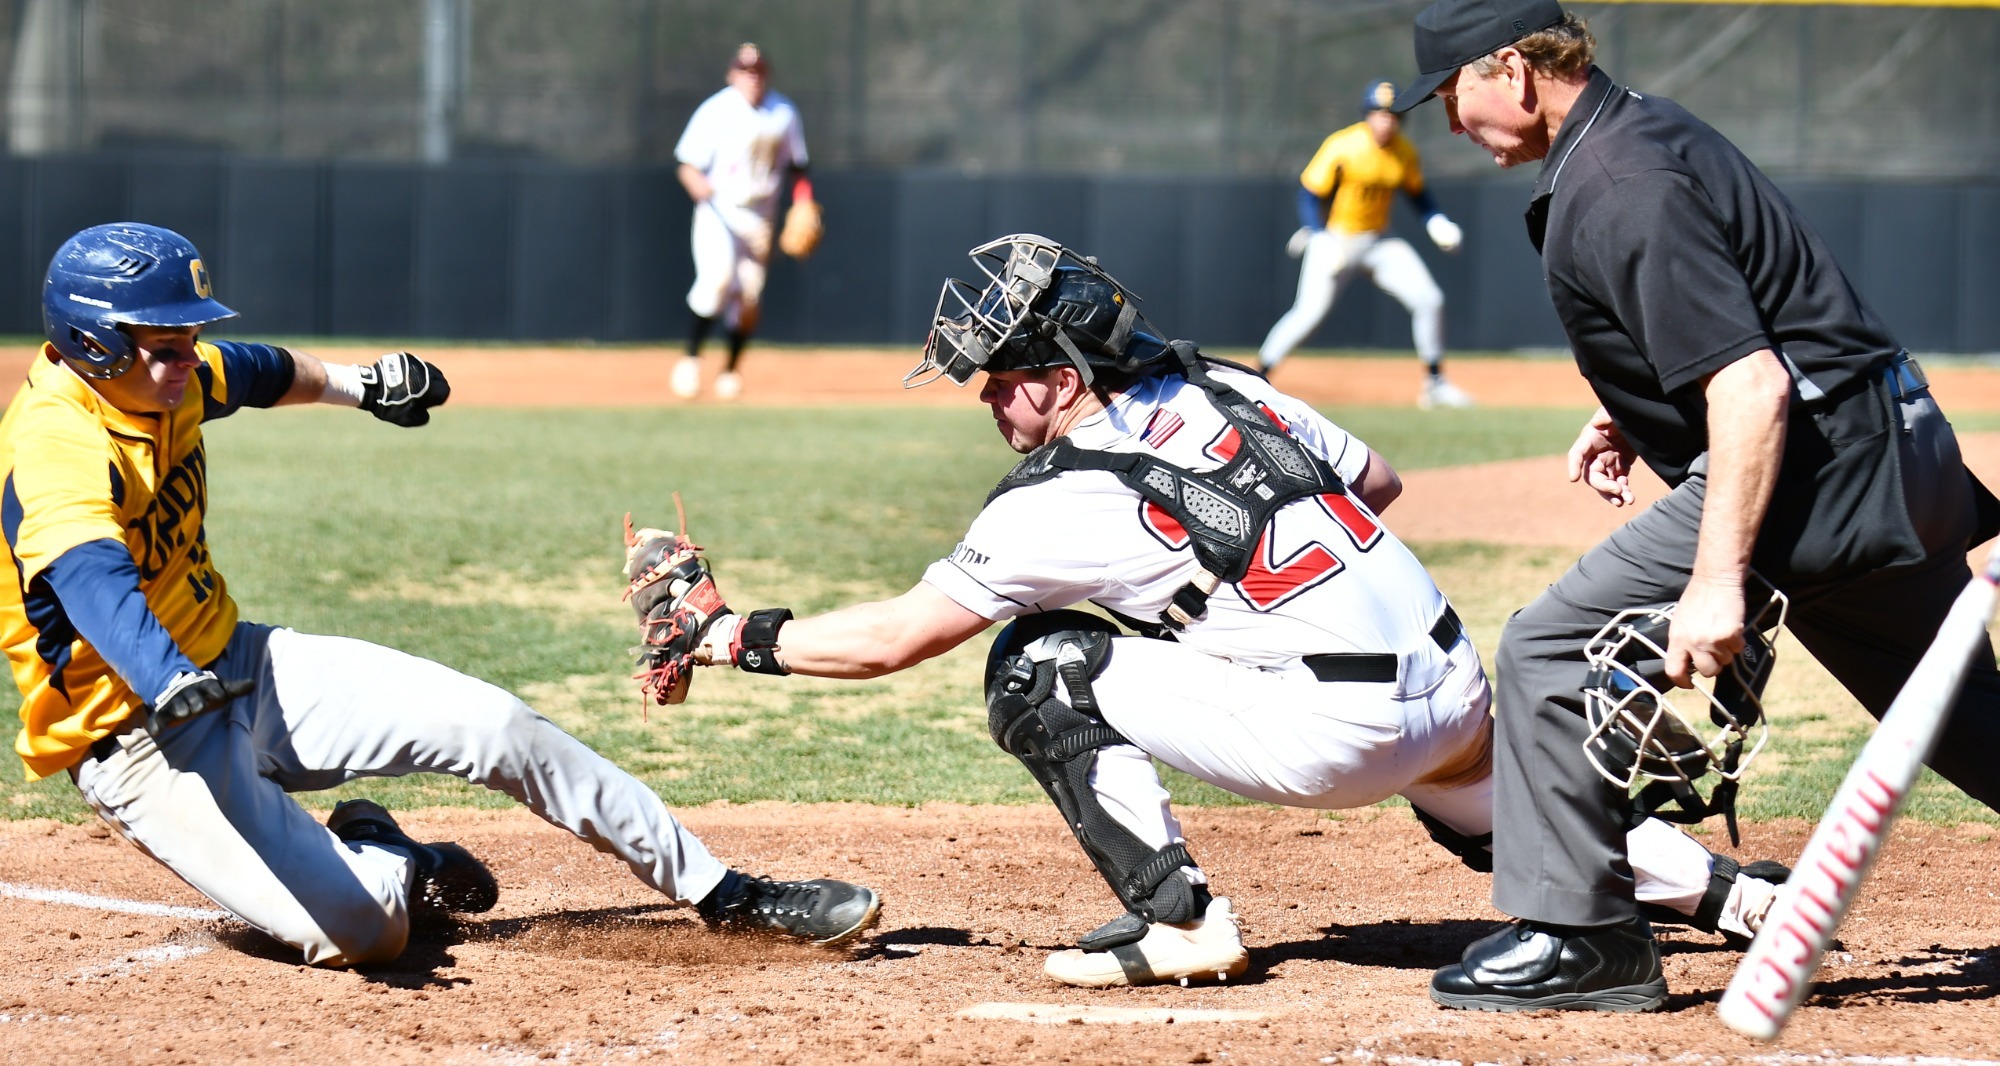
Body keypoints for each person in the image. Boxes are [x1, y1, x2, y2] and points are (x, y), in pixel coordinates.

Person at [623, 232, 1786, 989]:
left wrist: (726, 634)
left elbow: (891, 642)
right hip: (1454, 684)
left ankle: (1177, 920)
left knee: (1039, 665)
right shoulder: (1220, 380)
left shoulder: (1058, 492)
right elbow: (1371, 486)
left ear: (1064, 376)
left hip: (1335, 735)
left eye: (1002, 372)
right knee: (1474, 802)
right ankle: (1737, 899)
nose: (987, 396)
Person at [0, 223, 879, 968]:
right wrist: (164, 676)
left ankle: (723, 891)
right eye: (168, 342)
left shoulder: (168, 377)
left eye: (192, 336)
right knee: (368, 934)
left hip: (237, 662)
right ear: (94, 345)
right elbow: (92, 582)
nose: (190, 356)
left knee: (495, 722)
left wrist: (363, 386)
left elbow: (260, 370)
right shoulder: (56, 446)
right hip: (139, 736)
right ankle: (389, 855)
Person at [1391, 0, 2000, 1012]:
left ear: (1510, 68)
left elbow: (1750, 385)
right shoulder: (1641, 130)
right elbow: (1755, 315)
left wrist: (1716, 581)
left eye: (1449, 94)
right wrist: (1631, 407)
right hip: (1888, 456)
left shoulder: (1615, 181)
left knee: (1544, 650)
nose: (1449, 125)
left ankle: (1581, 937)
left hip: (1815, 478)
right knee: (1963, 718)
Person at [1258, 80, 1470, 410]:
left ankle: (1435, 383)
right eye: (1379, 113)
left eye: (1393, 115)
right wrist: (1316, 234)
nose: (1386, 121)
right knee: (1308, 314)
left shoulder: (1403, 151)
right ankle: (1256, 378)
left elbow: (1417, 194)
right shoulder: (1343, 145)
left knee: (1429, 299)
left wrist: (1435, 221)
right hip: (1337, 239)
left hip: (1379, 240)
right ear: (1367, 115)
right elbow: (1309, 194)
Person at [670, 42, 812, 402]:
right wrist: (695, 182)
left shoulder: (784, 112)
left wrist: (804, 201)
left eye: (758, 71)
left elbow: (798, 166)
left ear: (766, 74)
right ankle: (690, 360)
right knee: (716, 283)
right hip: (719, 209)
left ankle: (730, 371)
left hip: (760, 216)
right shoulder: (716, 109)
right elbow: (687, 164)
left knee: (749, 299)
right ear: (733, 74)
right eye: (746, 71)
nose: (753, 77)